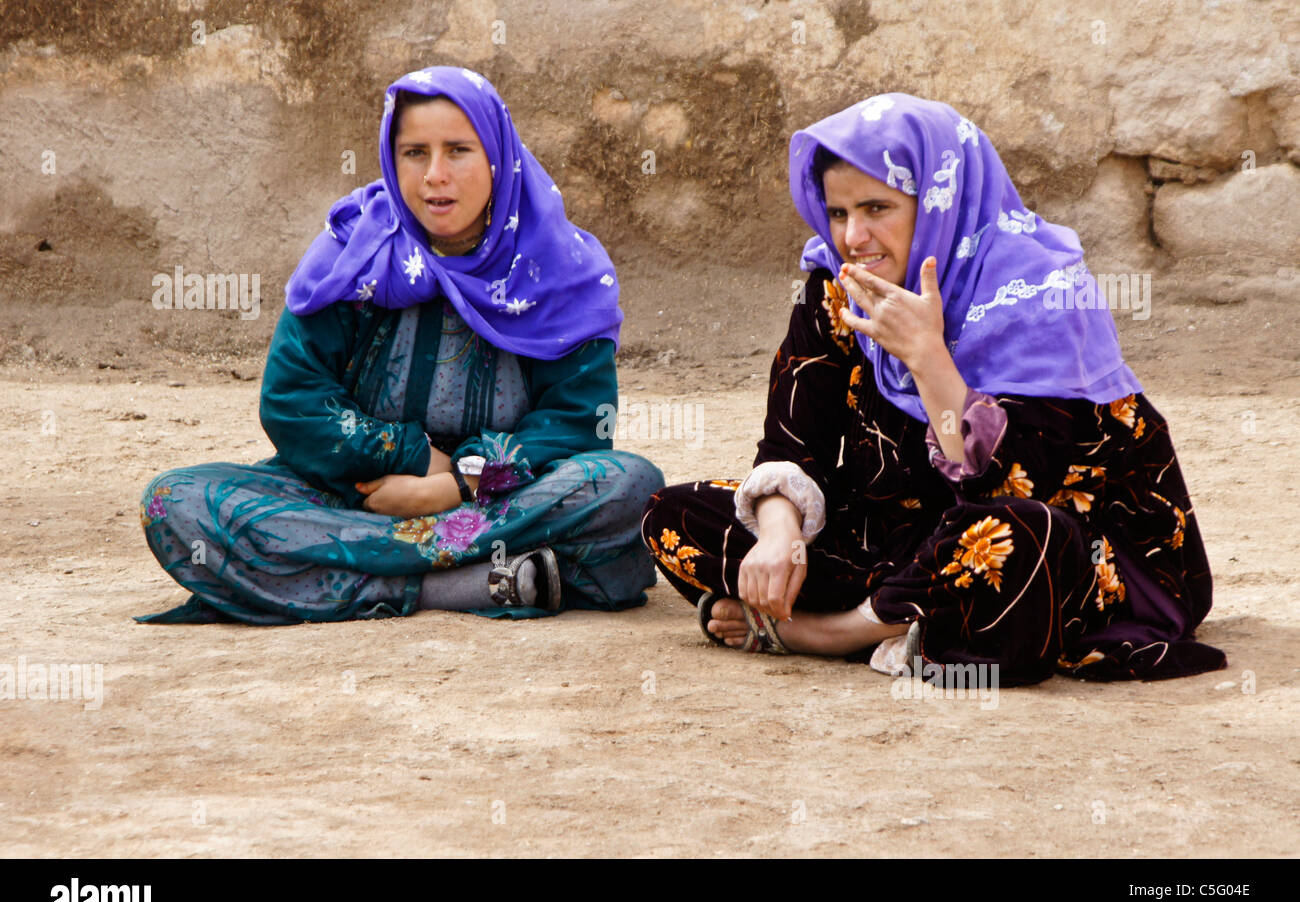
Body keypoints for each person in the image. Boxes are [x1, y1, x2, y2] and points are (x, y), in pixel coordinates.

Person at [640, 93, 1223, 684]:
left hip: (1052, 548)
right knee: (672, 513)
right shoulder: (838, 287)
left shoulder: (1040, 294)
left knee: (1025, 540)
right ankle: (902, 624)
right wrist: (780, 535)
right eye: (839, 213)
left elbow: (1009, 488)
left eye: (877, 208)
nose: (853, 237)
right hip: (898, 539)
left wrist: (928, 357)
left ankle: (824, 631)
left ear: (940, 201)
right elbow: (791, 445)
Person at [137, 66, 663, 625]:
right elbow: (293, 401)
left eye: (458, 150)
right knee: (175, 501)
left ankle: (349, 579)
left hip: (496, 501)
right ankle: (472, 584)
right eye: (415, 153)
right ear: (392, 159)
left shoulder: (559, 268)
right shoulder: (353, 253)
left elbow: (580, 424)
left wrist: (456, 483)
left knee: (628, 486)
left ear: (496, 157)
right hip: (357, 498)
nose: (435, 175)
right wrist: (409, 458)